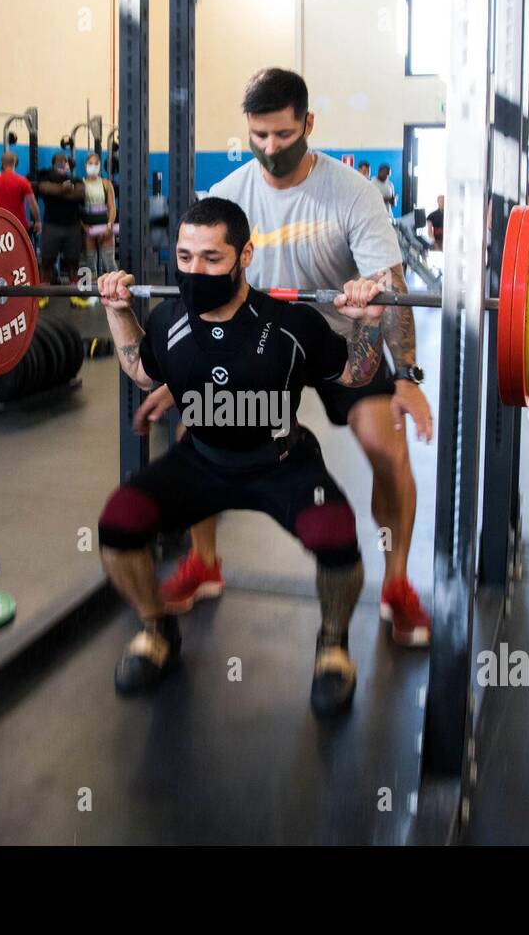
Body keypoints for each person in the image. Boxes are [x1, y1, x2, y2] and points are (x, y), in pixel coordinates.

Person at [135, 67, 435, 647]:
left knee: (387, 447)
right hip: (263, 342)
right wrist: (181, 376)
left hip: (346, 340)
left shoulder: (352, 192)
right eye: (259, 136)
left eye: (283, 135)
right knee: (197, 437)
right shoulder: (229, 199)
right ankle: (205, 565)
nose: (270, 149)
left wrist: (409, 375)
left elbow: (390, 285)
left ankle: (396, 585)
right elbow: (207, 298)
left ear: (308, 125)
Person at [96, 197, 387, 716]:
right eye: (184, 257)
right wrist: (118, 313)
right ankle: (157, 630)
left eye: (211, 258)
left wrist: (368, 320)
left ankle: (333, 647)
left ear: (245, 255)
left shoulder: (293, 324)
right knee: (119, 525)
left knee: (338, 539)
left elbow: (355, 375)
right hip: (201, 461)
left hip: (281, 462)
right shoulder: (168, 319)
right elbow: (145, 371)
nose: (194, 270)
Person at [34, 152, 84, 284]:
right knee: (47, 261)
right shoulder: (45, 178)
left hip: (72, 227)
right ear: (53, 165)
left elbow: (80, 193)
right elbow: (44, 188)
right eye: (59, 162)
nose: (63, 164)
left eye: (65, 161)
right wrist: (64, 189)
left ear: (69, 165)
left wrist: (56, 192)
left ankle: (75, 294)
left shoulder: (76, 180)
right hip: (51, 227)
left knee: (73, 262)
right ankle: (43, 294)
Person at [79, 152, 118, 279]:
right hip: (88, 229)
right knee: (90, 266)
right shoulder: (81, 184)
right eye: (90, 163)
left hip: (104, 228)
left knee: (110, 265)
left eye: (96, 163)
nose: (93, 166)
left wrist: (109, 226)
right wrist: (83, 226)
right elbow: (76, 209)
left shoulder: (106, 183)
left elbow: (112, 207)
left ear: (100, 166)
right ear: (85, 165)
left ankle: (115, 295)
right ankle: (92, 297)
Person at [0, 150, 41, 236]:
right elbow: (32, 204)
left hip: (0, 226)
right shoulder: (23, 181)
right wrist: (37, 221)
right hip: (19, 226)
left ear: (2, 163)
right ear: (15, 163)